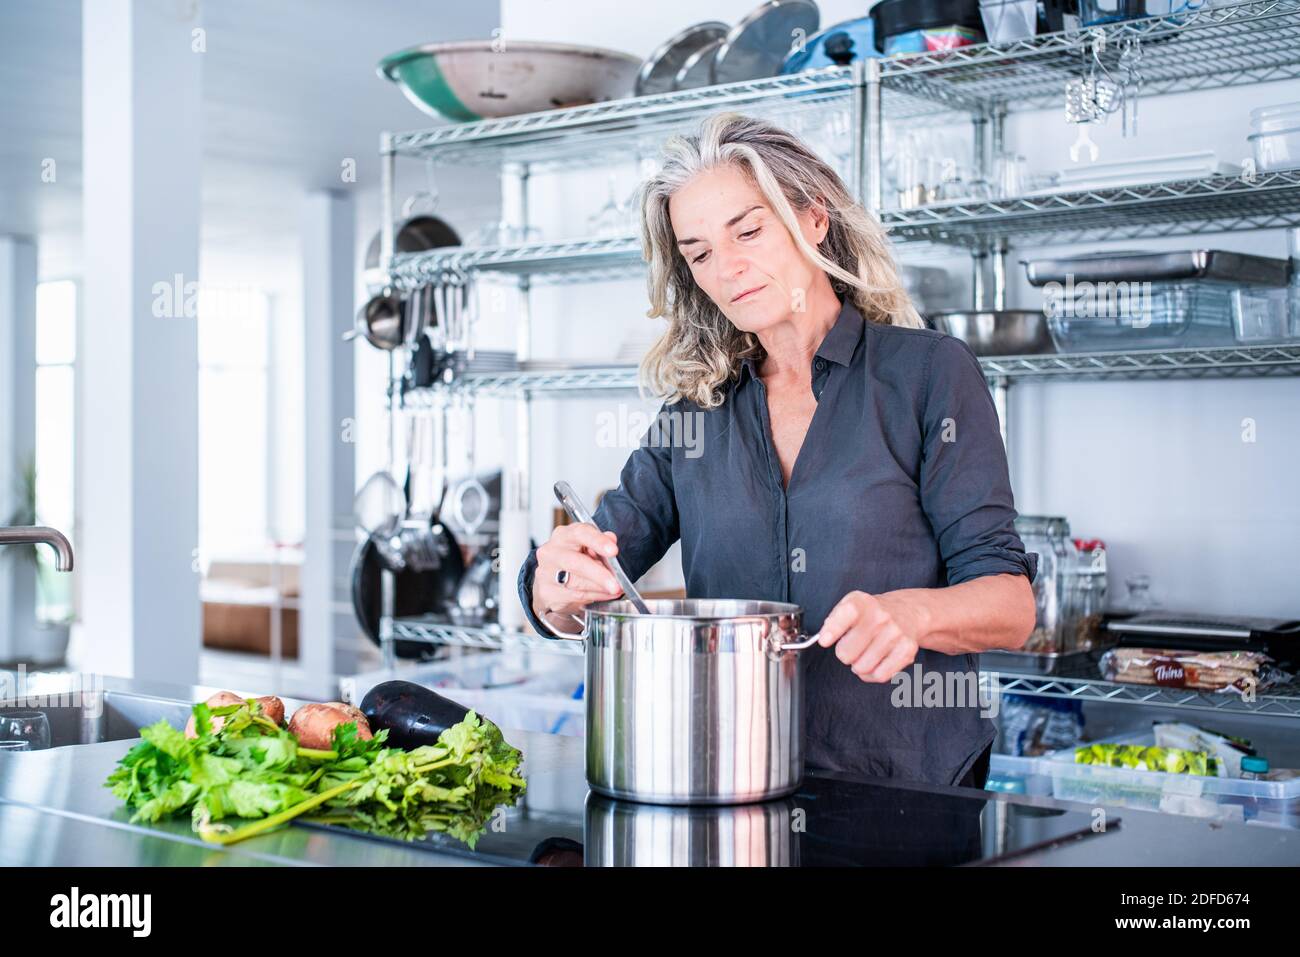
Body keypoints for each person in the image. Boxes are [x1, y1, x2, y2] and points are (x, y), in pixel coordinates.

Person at [517, 111, 1038, 789]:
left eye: (749, 230)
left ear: (814, 219)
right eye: (700, 252)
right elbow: (589, 570)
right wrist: (556, 583)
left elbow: (1010, 604)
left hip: (906, 788)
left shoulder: (929, 375)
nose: (728, 267)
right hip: (729, 781)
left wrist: (913, 613)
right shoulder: (695, 411)